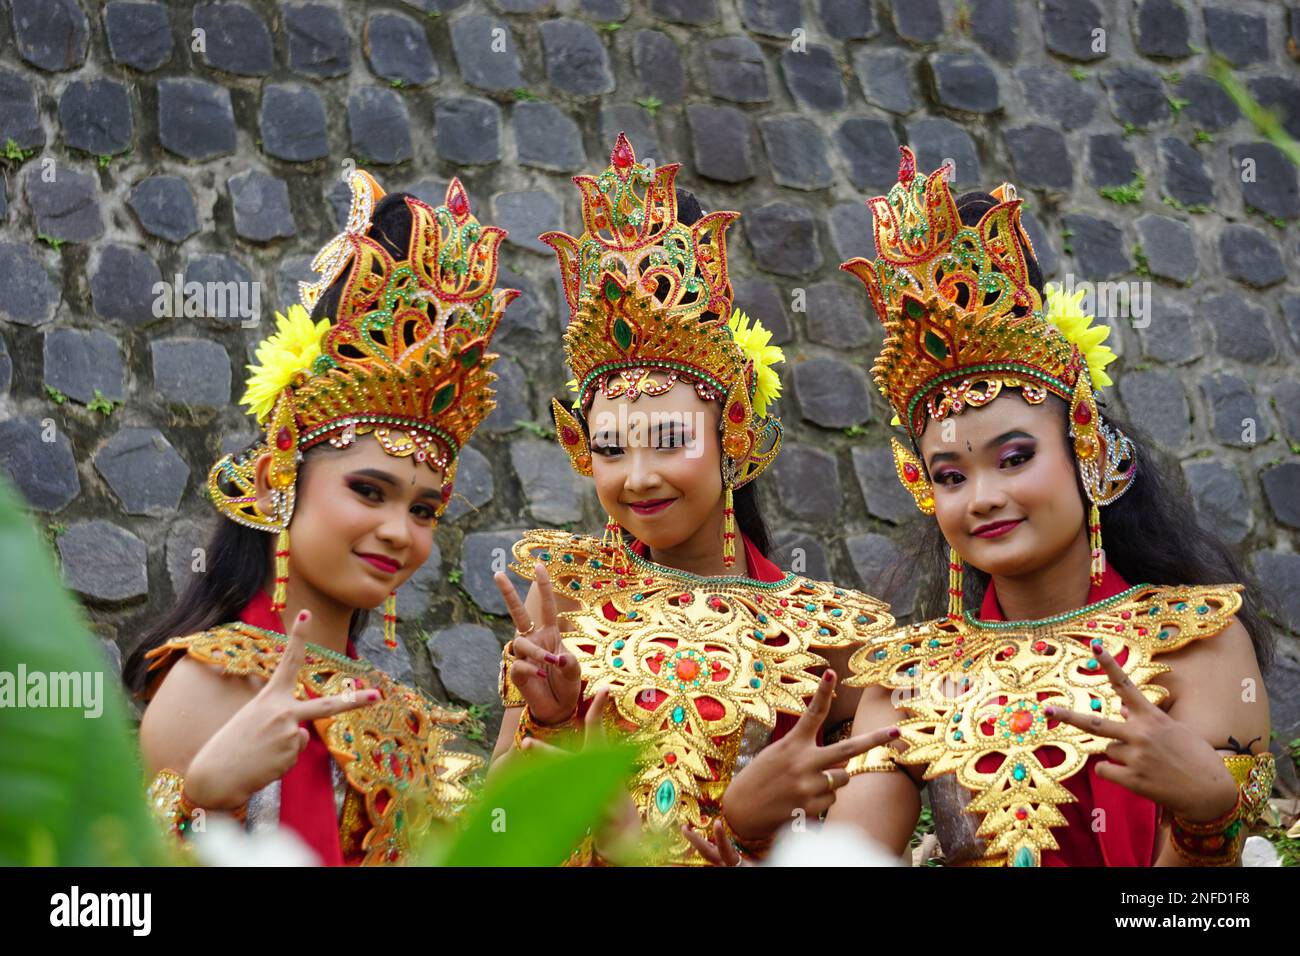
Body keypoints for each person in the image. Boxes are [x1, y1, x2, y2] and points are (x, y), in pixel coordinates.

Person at [828, 147, 1275, 867]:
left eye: (1014, 458)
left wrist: (1207, 820)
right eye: (950, 474)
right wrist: (756, 841)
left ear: (1086, 447)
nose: (985, 497)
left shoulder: (1198, 647)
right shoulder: (908, 683)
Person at [488, 134, 898, 865]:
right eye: (612, 447)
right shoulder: (570, 607)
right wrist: (546, 726)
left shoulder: (827, 636)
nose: (638, 476)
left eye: (669, 439)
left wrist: (749, 829)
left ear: (734, 428)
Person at [123, 173, 513, 865]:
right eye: (370, 490)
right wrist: (201, 800)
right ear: (282, 477)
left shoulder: (383, 699)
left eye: (424, 509)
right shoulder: (211, 681)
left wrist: (527, 716)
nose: (400, 530)